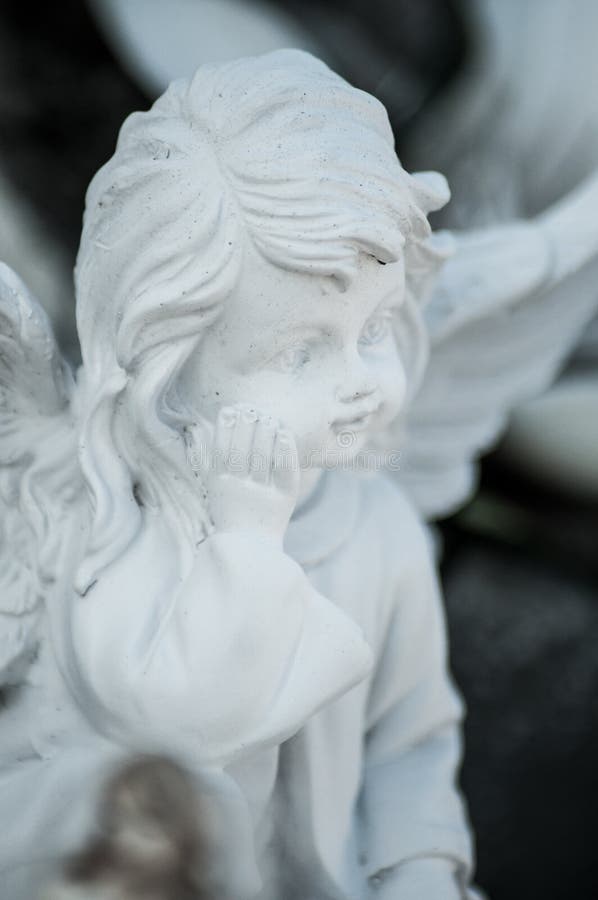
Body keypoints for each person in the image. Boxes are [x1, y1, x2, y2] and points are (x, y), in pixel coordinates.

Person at [0, 50, 477, 899]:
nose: (359, 382)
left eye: (374, 329)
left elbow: (413, 745)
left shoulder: (380, 533)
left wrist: (424, 871)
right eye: (298, 353)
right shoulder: (109, 537)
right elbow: (178, 732)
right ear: (165, 370)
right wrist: (248, 541)